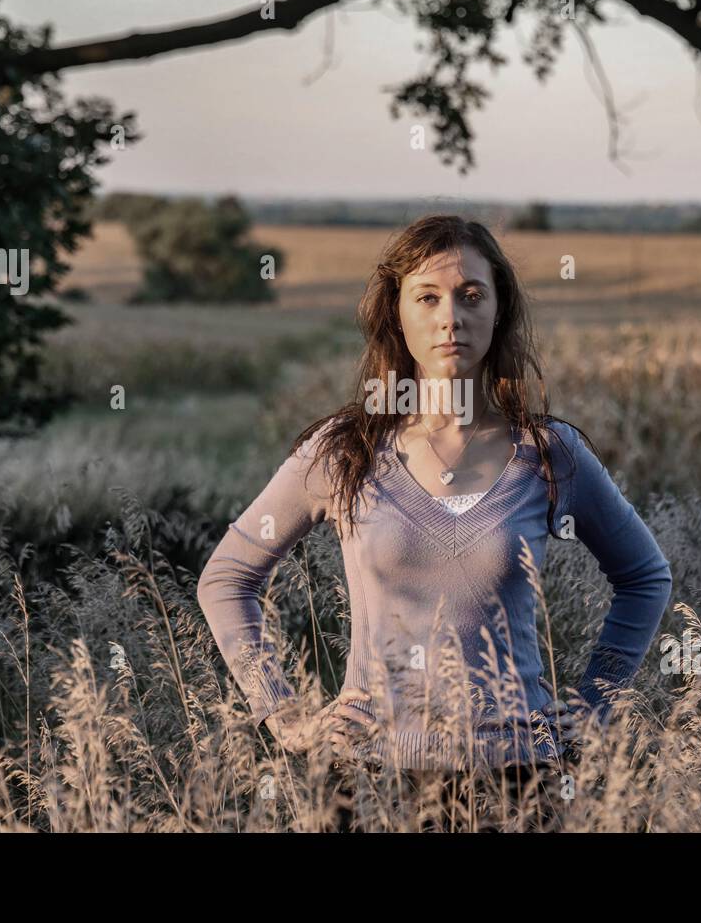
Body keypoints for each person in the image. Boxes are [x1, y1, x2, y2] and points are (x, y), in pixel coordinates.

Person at [197, 213, 673, 831]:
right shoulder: (344, 453)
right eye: (428, 296)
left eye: (472, 295)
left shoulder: (551, 455)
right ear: (398, 313)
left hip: (518, 782)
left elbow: (645, 578)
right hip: (369, 778)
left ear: (498, 309)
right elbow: (227, 578)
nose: (451, 315)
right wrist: (285, 715)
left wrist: (593, 704)